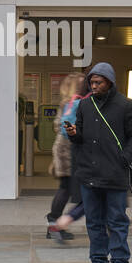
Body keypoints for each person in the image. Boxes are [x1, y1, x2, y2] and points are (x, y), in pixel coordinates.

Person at [65, 62, 132, 263]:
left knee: (117, 221)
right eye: (92, 82)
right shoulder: (85, 106)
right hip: (89, 173)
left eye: (98, 82)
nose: (94, 86)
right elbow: (79, 138)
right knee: (94, 222)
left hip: (115, 174)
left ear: (110, 82)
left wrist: (124, 158)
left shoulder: (126, 105)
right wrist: (73, 133)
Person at [47, 74, 88, 241]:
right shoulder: (77, 102)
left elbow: (57, 125)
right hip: (69, 150)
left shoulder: (67, 102)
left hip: (63, 148)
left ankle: (53, 224)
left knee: (66, 187)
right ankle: (55, 224)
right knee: (68, 187)